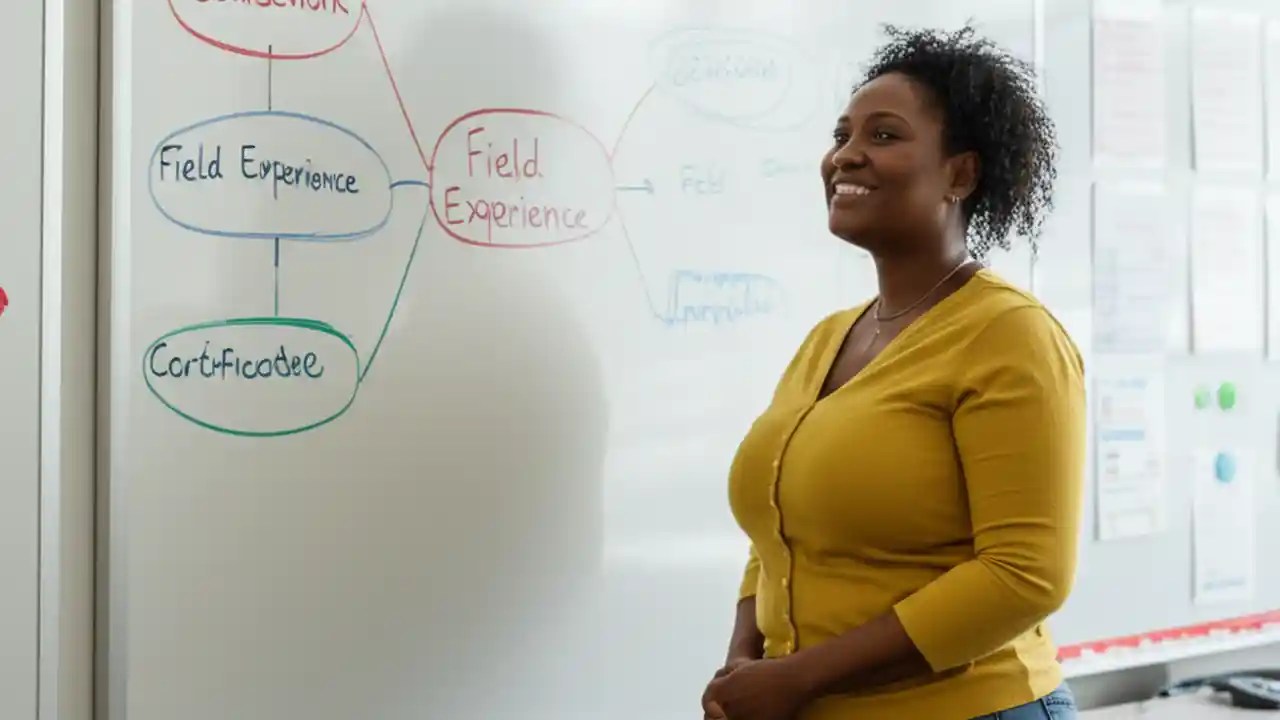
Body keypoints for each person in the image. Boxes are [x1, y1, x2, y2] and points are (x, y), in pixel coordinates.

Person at [701, 24, 1085, 720]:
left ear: (960, 175)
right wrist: (744, 666)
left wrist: (799, 678)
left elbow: (1025, 576)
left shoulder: (1009, 334)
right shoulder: (827, 339)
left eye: (883, 135)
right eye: (842, 134)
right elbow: (778, 535)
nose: (845, 155)